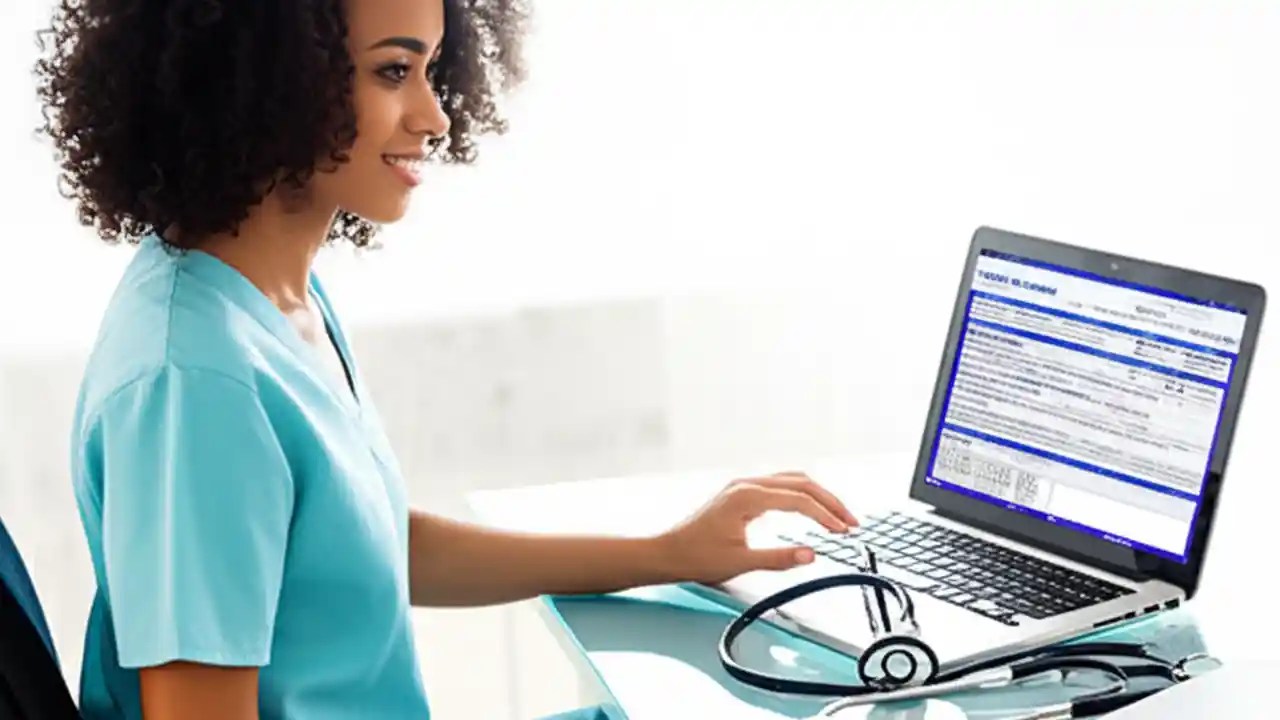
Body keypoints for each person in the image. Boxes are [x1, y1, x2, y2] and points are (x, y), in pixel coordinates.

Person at [34, 1, 859, 719]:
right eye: (394, 71)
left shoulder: (272, 297)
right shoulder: (195, 384)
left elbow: (368, 544)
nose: (435, 116)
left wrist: (663, 553)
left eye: (431, 69)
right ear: (267, 79)